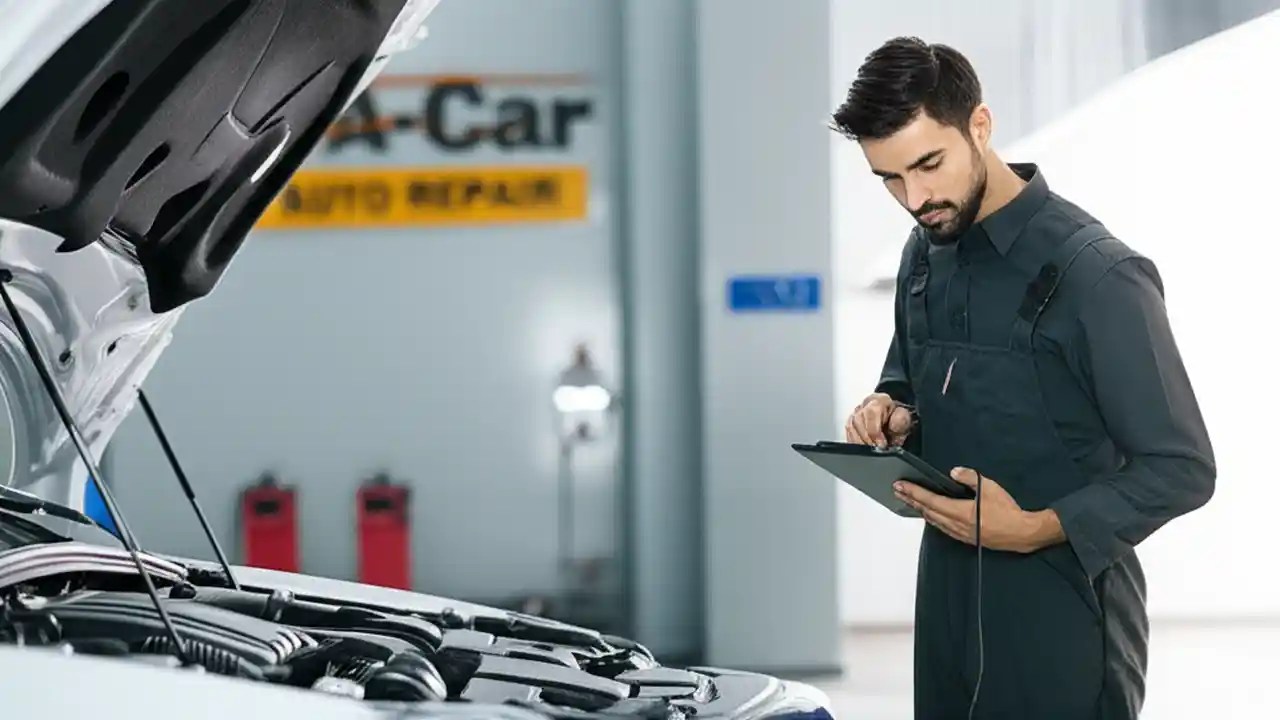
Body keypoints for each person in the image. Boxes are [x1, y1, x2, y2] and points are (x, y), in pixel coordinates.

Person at [830, 37, 1215, 719]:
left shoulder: (1099, 275)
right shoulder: (924, 255)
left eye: (928, 164)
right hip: (946, 589)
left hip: (1063, 604)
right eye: (889, 178)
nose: (913, 198)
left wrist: (1038, 527)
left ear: (980, 126)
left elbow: (1182, 466)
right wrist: (892, 407)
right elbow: (910, 379)